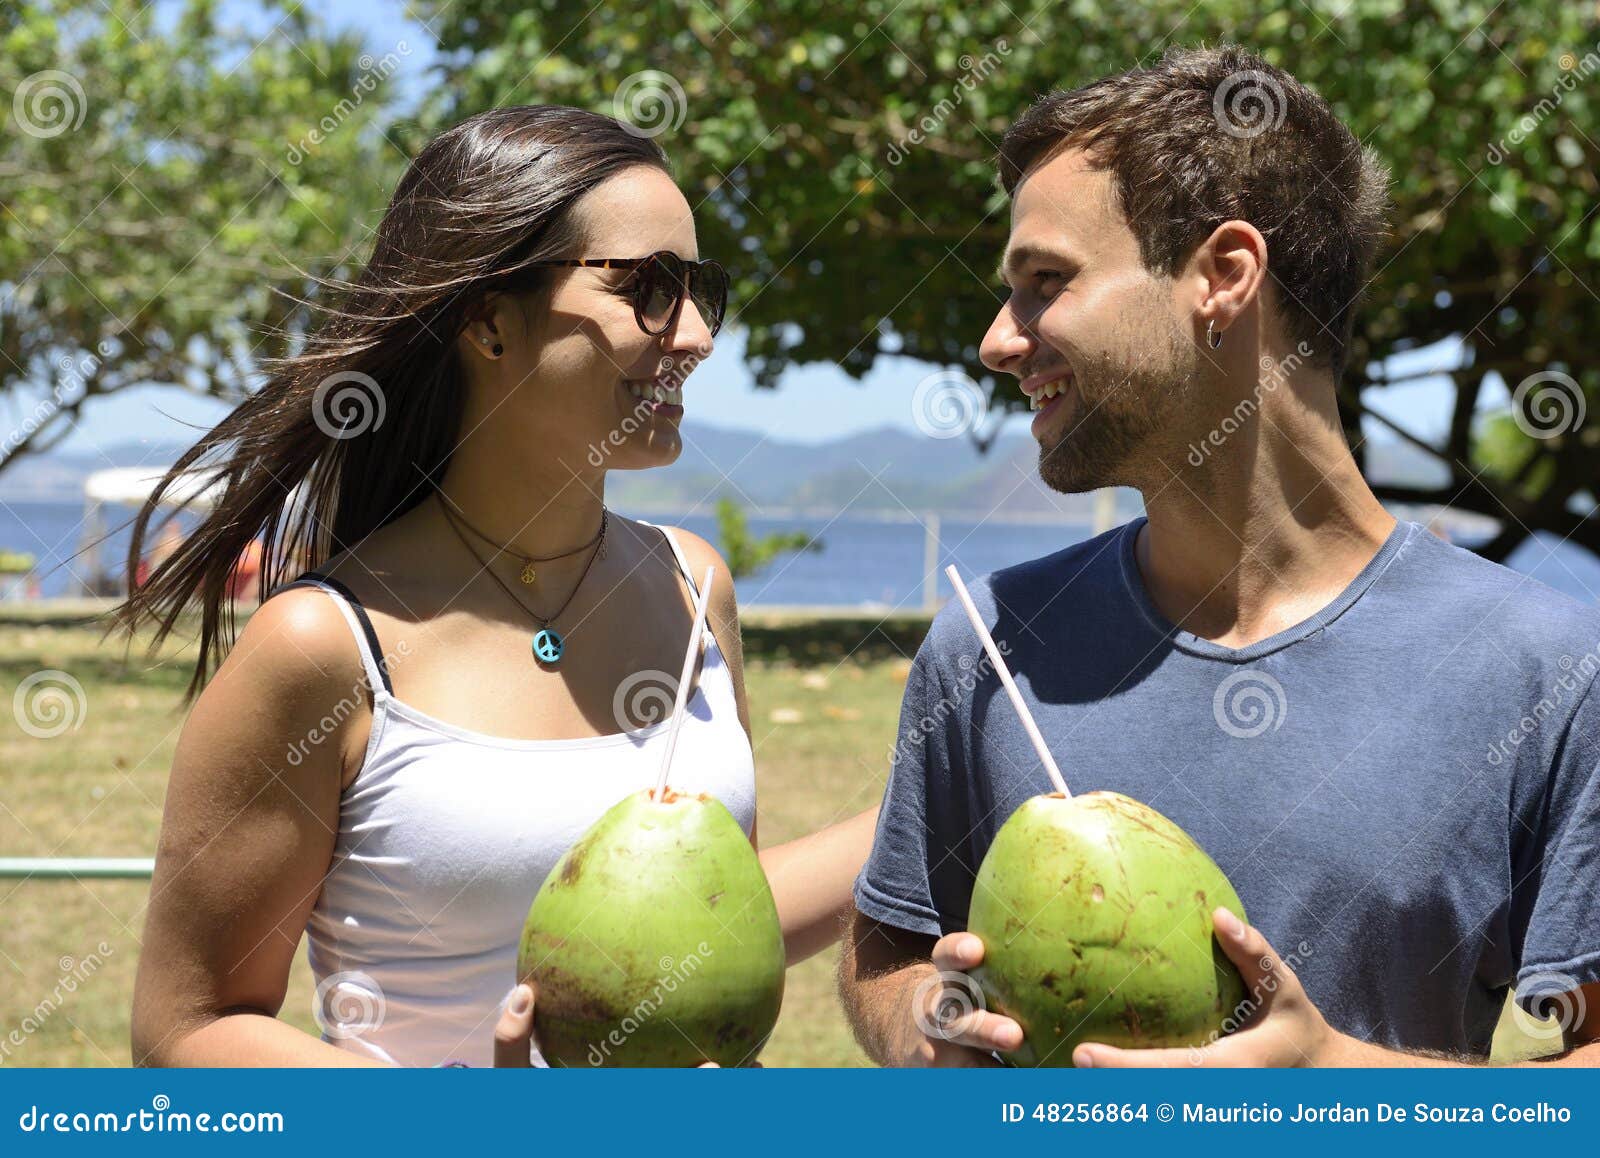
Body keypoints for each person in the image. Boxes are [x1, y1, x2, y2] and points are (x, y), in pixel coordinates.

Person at [838, 45, 1600, 1067]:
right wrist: (924, 1031)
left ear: (1222, 276)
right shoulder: (988, 647)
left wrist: (1324, 1076)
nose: (995, 341)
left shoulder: (1551, 672)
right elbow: (886, 949)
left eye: (1044, 282)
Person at [119, 105, 876, 1067]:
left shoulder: (694, 588)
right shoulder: (323, 646)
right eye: (645, 287)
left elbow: (702, 923)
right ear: (486, 319)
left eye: (701, 290)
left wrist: (949, 799)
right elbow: (185, 1030)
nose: (693, 334)